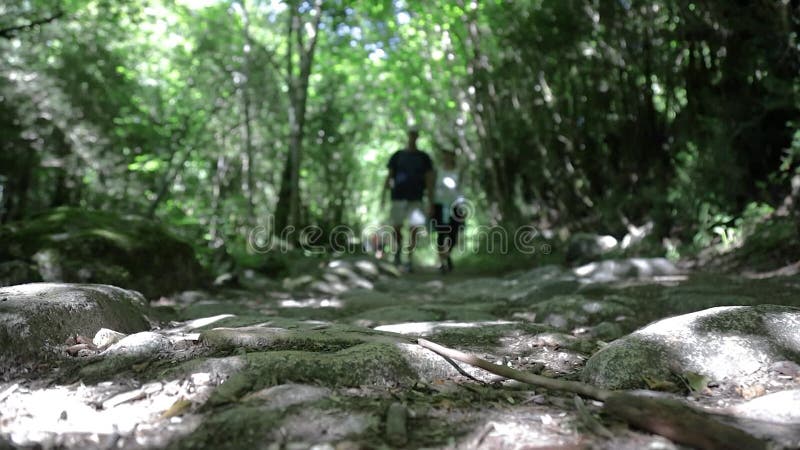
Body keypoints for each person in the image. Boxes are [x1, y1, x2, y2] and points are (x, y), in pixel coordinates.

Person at [382, 127, 434, 272]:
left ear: (418, 136)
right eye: (411, 134)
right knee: (396, 227)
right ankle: (397, 253)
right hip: (398, 197)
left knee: (414, 229)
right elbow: (390, 176)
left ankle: (409, 259)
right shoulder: (397, 156)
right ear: (408, 136)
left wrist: (431, 200)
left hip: (416, 198)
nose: (413, 137)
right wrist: (383, 196)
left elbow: (429, 179)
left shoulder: (424, 157)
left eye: (415, 134)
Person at [432, 149, 465, 273]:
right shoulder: (438, 171)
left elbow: (461, 189)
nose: (447, 157)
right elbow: (433, 188)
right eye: (445, 154)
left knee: (453, 234)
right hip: (439, 205)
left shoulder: (458, 172)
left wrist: (462, 205)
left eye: (449, 154)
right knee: (441, 234)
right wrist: (431, 204)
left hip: (455, 206)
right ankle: (443, 262)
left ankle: (447, 255)